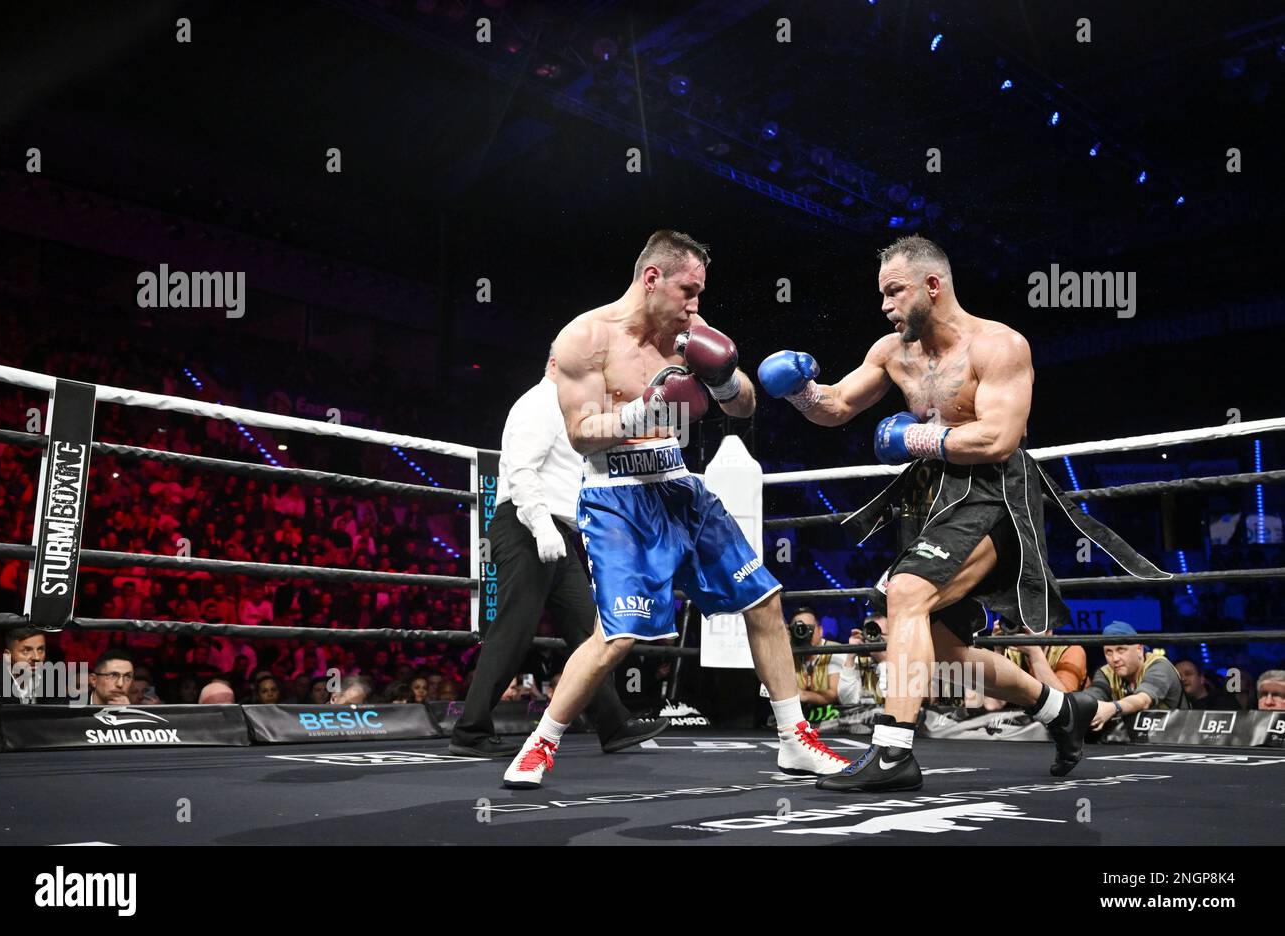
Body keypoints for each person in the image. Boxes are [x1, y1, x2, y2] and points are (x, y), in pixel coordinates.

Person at [759, 235, 1166, 791]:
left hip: (994, 496)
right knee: (949, 647)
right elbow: (837, 406)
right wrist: (798, 391)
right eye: (881, 294)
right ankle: (1061, 712)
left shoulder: (997, 346)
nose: (884, 305)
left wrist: (915, 436)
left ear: (933, 285)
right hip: (931, 500)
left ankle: (894, 749)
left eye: (893, 292)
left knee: (906, 593)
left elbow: (999, 437)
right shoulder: (890, 352)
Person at [502, 230, 850, 789]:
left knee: (764, 599)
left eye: (700, 292)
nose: (696, 304)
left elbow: (744, 407)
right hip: (616, 497)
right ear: (652, 279)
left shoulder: (693, 334)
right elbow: (581, 435)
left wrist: (721, 376)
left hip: (680, 487)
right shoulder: (584, 339)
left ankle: (795, 740)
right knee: (617, 636)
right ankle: (541, 743)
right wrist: (647, 409)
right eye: (688, 290)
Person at [450, 359, 668, 758]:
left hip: (560, 534)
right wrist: (541, 526)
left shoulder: (573, 411)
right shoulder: (538, 403)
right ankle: (470, 730)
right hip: (526, 526)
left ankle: (613, 722)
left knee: (591, 631)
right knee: (513, 630)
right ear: (555, 363)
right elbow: (520, 471)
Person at [1084, 621, 1189, 730]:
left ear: (1139, 649)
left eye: (1121, 650)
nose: (1115, 658)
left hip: (1179, 737)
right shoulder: (1106, 672)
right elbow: (1092, 697)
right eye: (1109, 652)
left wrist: (1113, 708)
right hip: (1135, 741)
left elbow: (1143, 700)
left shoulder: (1160, 666)